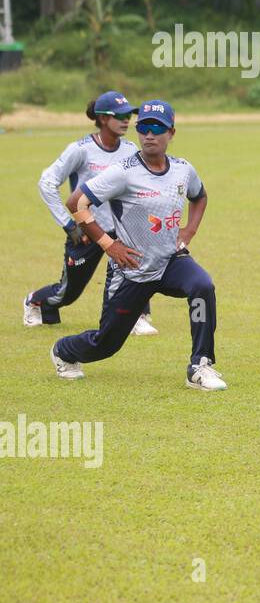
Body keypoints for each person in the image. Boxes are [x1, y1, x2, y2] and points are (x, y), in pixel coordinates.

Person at [49, 100, 226, 390]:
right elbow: (76, 203)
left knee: (202, 286)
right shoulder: (124, 171)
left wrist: (189, 231)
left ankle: (200, 365)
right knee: (105, 344)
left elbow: (199, 195)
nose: (149, 134)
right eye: (143, 127)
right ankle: (64, 351)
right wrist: (108, 245)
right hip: (132, 270)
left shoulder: (183, 169)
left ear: (172, 132)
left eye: (157, 128)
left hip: (170, 261)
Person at [24, 91, 158, 337]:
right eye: (120, 116)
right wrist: (69, 225)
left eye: (129, 115)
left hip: (121, 230)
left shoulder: (130, 150)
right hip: (85, 232)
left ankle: (137, 317)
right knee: (68, 292)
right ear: (103, 118)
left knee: (136, 268)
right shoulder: (80, 150)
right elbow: (47, 182)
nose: (127, 120)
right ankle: (36, 302)